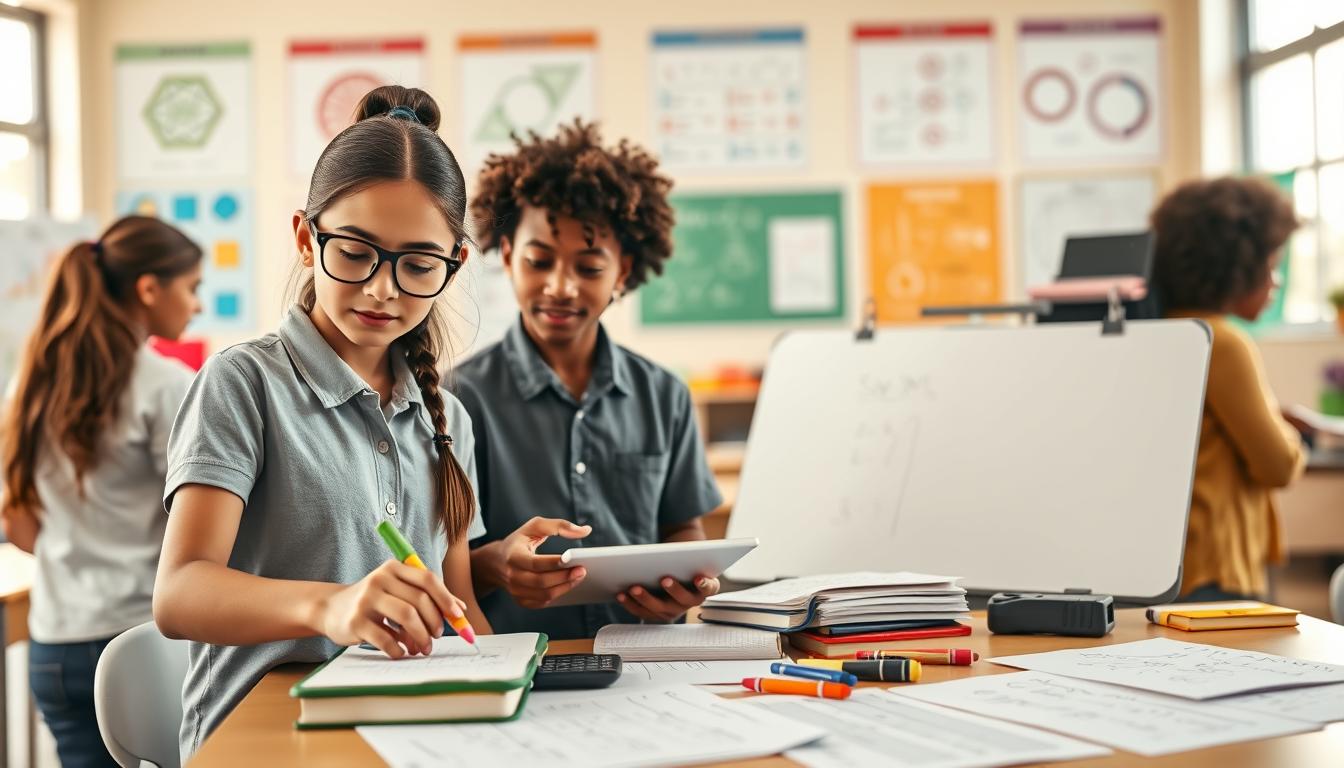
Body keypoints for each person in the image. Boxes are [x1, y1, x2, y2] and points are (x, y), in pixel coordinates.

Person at [152, 86, 489, 757]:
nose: (382, 289)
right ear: (307, 238)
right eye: (356, 252)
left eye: (418, 264)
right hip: (264, 740)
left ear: (453, 266)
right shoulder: (243, 383)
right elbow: (181, 592)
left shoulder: (448, 415)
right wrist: (329, 606)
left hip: (411, 737)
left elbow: (461, 608)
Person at [458, 121, 723, 639]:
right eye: (539, 261)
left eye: (588, 266)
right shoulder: (459, 398)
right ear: (508, 256)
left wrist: (686, 587)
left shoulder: (664, 394)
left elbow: (682, 527)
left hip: (644, 662)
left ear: (622, 271)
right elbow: (440, 559)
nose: (560, 286)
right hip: (520, 665)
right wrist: (496, 567)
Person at [1, 215, 202, 768]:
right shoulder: (164, 385)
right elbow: (202, 523)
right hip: (142, 642)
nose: (198, 305)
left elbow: (19, 529)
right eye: (192, 288)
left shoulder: (34, 382)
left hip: (55, 643)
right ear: (148, 288)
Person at [1151, 176, 1307, 601]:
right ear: (1237, 268)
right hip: (1217, 564)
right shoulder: (1222, 340)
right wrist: (1288, 427)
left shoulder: (1162, 329)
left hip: (1168, 560)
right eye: (1272, 265)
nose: (1275, 282)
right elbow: (1278, 465)